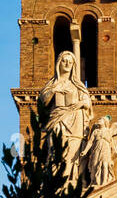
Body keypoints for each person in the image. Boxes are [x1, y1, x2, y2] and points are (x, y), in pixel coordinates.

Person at [38, 50, 92, 188]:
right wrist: (54, 91)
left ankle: (71, 180)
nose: (67, 64)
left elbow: (87, 102)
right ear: (58, 63)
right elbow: (42, 101)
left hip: (76, 121)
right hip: (57, 119)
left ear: (74, 65)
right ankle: (57, 178)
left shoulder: (78, 85)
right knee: (56, 147)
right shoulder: (52, 83)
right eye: (64, 61)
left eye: (70, 62)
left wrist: (81, 103)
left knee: (73, 151)